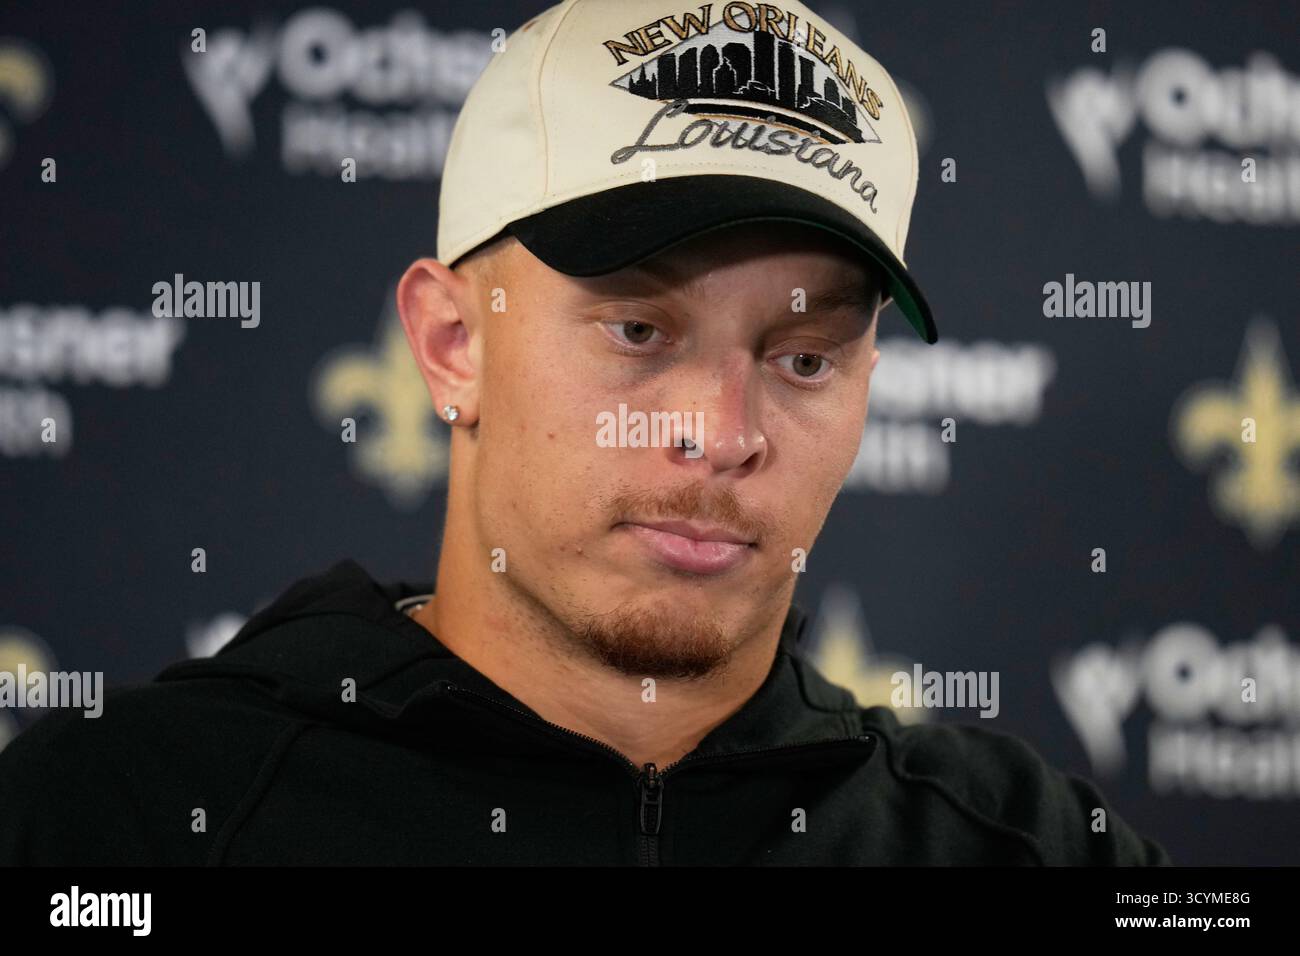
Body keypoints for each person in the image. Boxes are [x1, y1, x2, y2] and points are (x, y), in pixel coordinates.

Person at [0, 0, 1169, 865]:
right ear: (453, 342)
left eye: (803, 356)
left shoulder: (1038, 850)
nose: (720, 435)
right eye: (638, 329)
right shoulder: (119, 819)